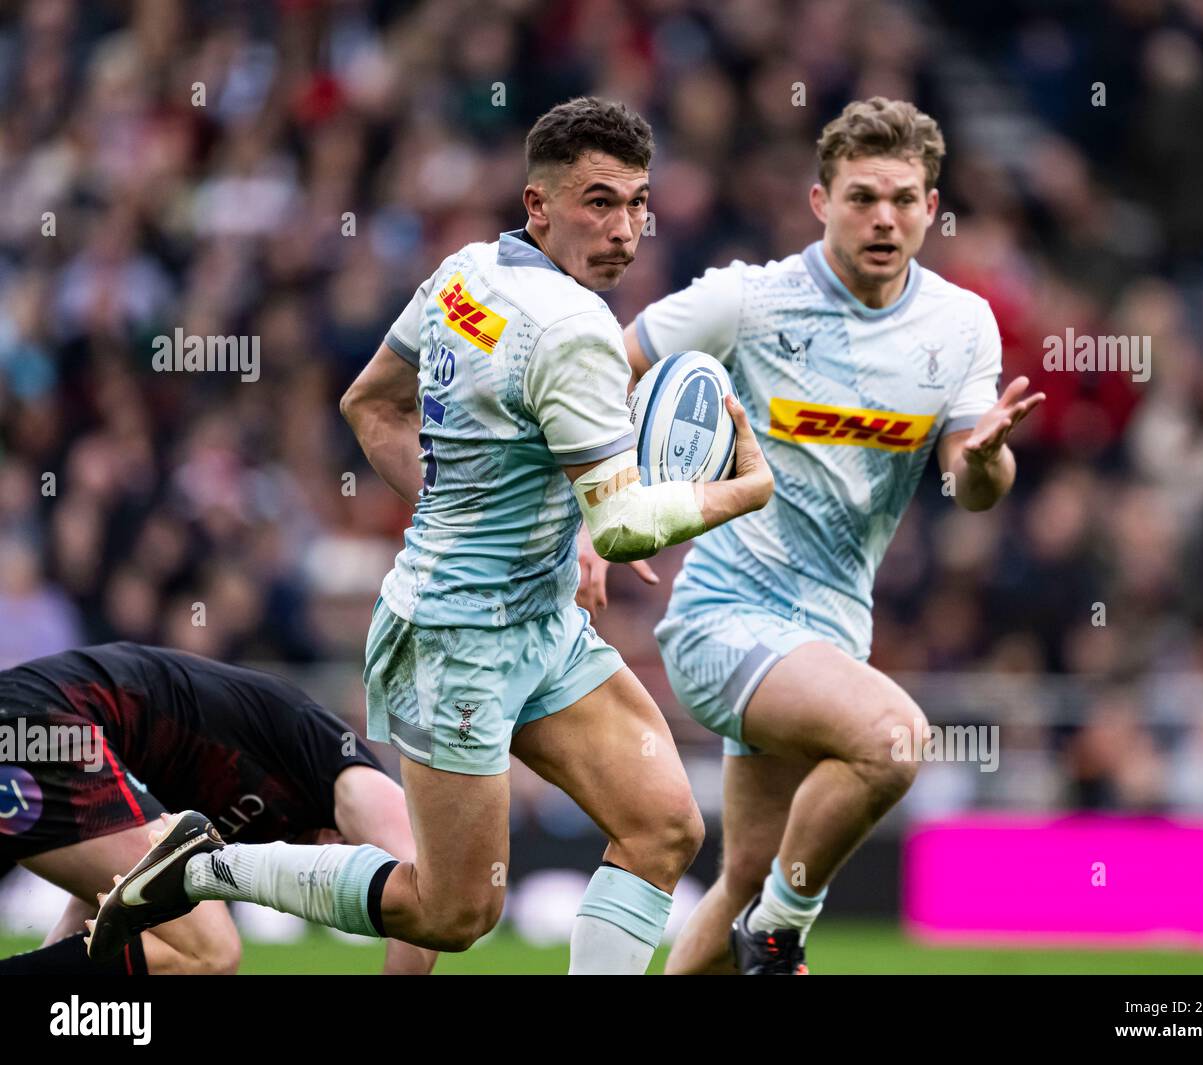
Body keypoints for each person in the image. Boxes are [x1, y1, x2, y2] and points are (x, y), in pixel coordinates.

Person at [87, 96, 774, 975]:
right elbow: (628, 525)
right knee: (451, 911)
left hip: (537, 623)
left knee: (663, 826)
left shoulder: (464, 275)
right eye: (598, 202)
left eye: (639, 203)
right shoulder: (577, 331)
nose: (626, 228)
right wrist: (743, 488)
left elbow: (369, 403)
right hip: (454, 640)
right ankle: (206, 863)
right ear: (538, 205)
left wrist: (469, 510)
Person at [599, 97, 1044, 973]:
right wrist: (594, 510)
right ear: (819, 201)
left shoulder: (960, 326)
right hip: (723, 616)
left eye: (904, 198)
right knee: (895, 739)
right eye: (862, 196)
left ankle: (759, 919)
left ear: (930, 206)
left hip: (830, 636)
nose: (884, 217)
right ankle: (781, 934)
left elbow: (973, 487)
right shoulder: (747, 300)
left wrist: (987, 458)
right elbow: (601, 373)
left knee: (746, 875)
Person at [0, 642, 437, 974]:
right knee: (208, 949)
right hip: (39, 728)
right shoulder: (337, 766)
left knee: (166, 932)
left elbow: (108, 905)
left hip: (29, 731)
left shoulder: (212, 809)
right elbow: (425, 890)